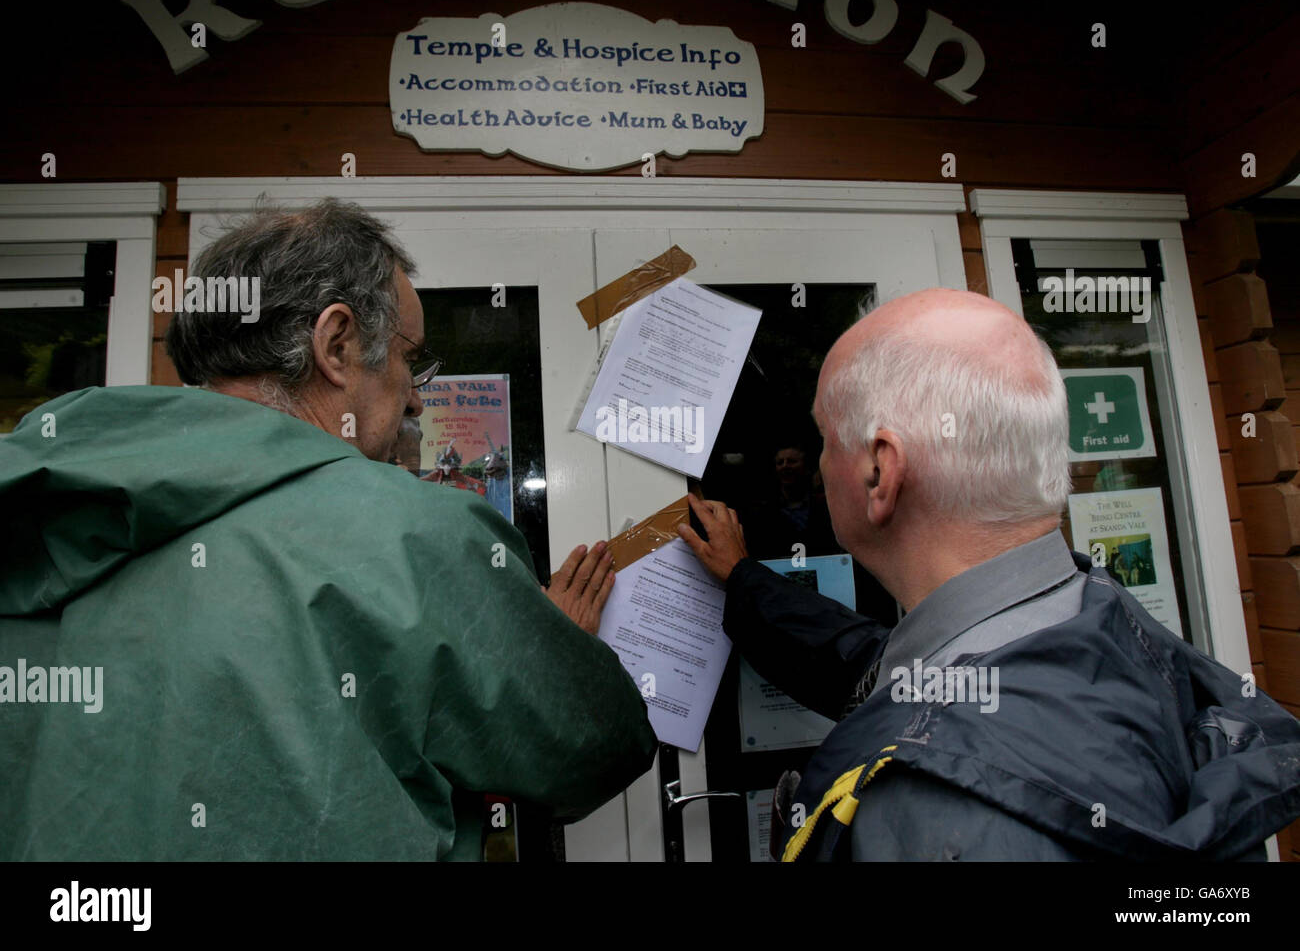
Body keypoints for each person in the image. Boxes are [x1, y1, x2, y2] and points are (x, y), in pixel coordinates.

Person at [0, 198, 656, 860]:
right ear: (337, 344)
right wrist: (558, 656)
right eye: (412, 361)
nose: (420, 396)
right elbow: (598, 748)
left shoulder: (34, 510)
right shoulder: (409, 536)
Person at [679, 287, 1300, 861]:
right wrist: (744, 580)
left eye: (824, 438)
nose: (817, 463)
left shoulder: (938, 810)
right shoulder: (1087, 617)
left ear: (879, 472)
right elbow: (884, 672)